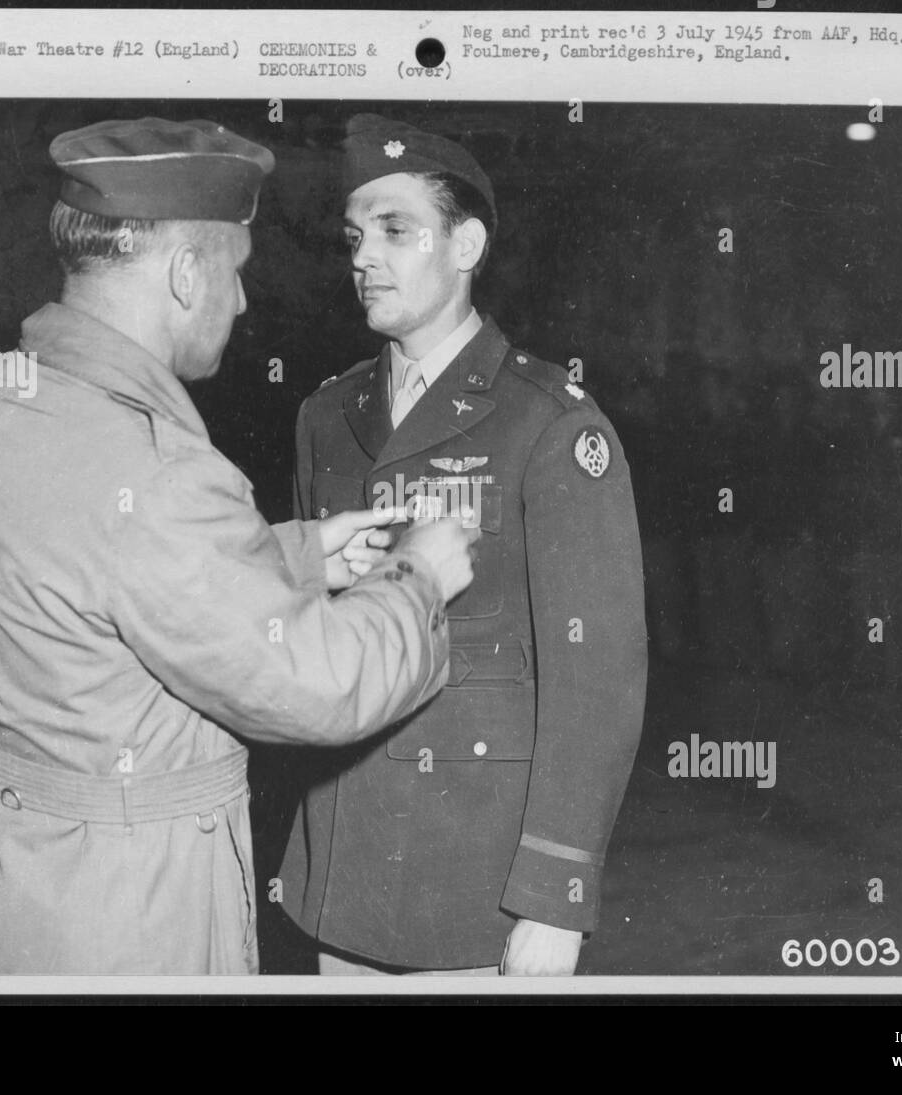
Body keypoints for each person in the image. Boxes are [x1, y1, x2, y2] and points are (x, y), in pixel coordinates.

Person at [0, 116, 477, 975]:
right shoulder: (158, 474)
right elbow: (322, 684)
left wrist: (303, 555)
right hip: (114, 909)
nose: (241, 303)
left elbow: (94, 583)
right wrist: (416, 576)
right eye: (234, 275)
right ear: (185, 273)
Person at [278, 114, 648, 975]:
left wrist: (556, 896)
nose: (364, 255)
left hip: (474, 886)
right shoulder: (325, 418)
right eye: (355, 235)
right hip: (343, 867)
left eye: (396, 230)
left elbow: (598, 675)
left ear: (467, 243)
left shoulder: (547, 422)